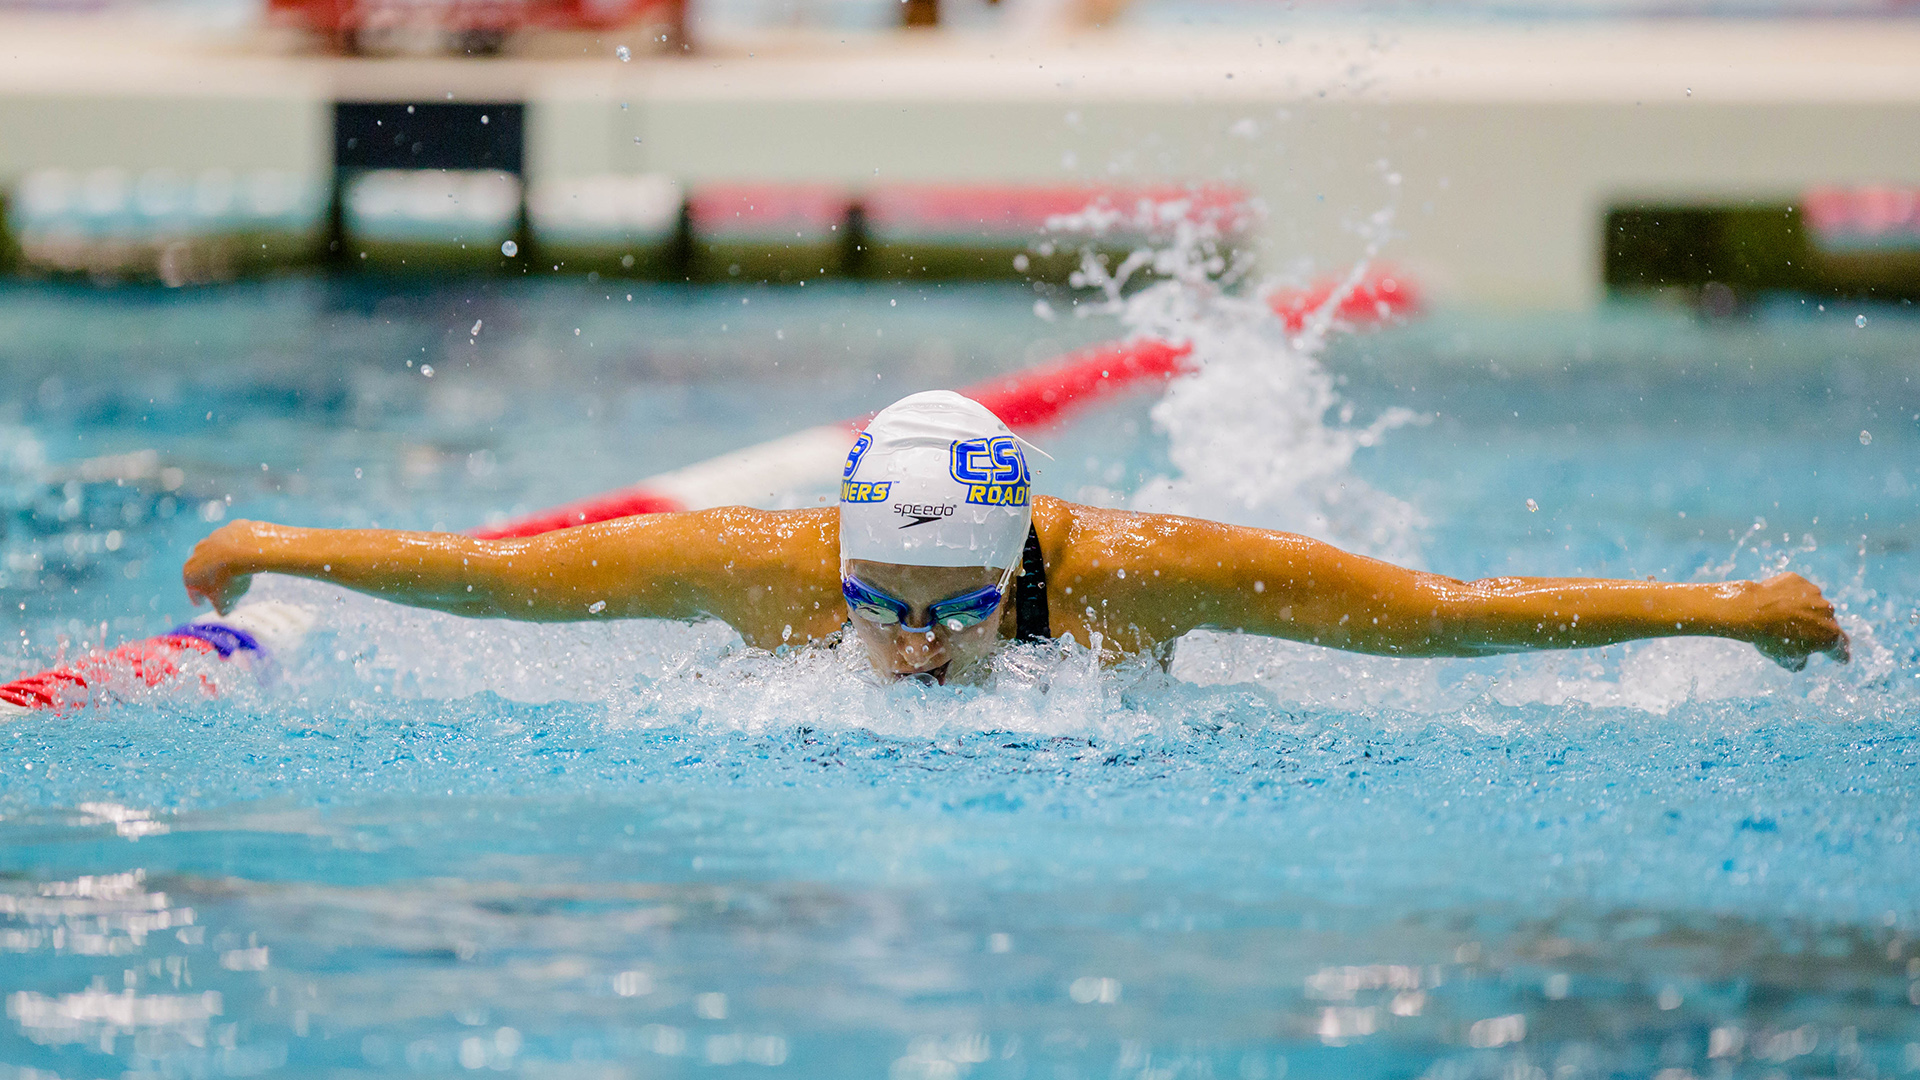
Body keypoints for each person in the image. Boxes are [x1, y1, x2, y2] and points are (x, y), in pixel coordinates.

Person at [183, 390, 1849, 685]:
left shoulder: (1141, 573)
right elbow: (493, 582)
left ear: (1024, 560)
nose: (912, 644)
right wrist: (276, 539)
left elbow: (1441, 612)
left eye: (954, 605)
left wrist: (1725, 609)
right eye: (882, 599)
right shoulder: (755, 560)